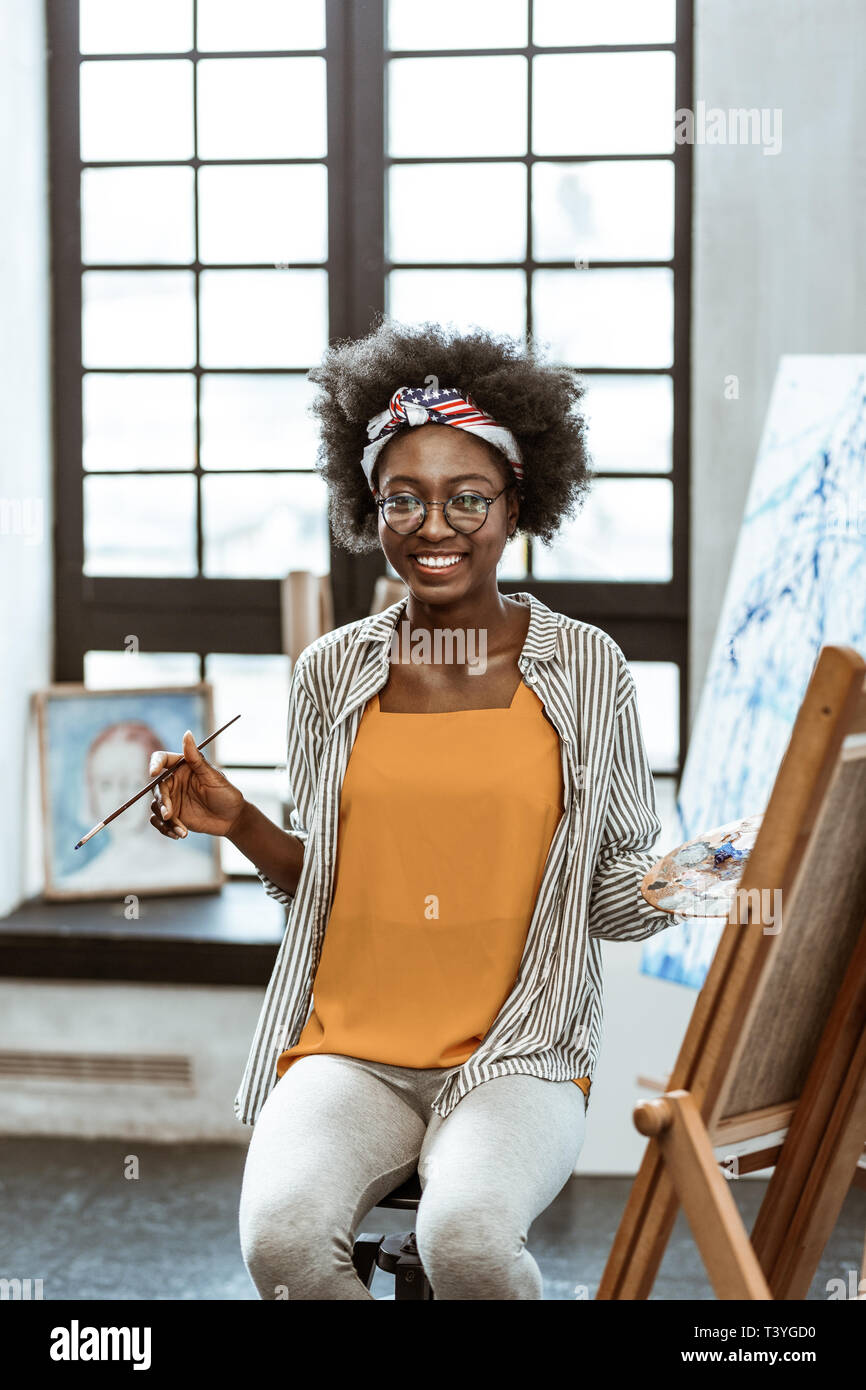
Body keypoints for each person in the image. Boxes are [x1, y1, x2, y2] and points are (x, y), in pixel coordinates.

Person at [147, 319, 682, 1300]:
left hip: (519, 1052)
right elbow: (326, 884)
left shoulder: (585, 669)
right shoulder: (332, 673)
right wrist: (241, 824)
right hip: (349, 1049)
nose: (432, 526)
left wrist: (686, 882)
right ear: (370, 508)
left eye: (465, 497)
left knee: (466, 1240)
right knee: (280, 1242)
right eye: (403, 499)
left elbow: (611, 897)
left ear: (516, 503)